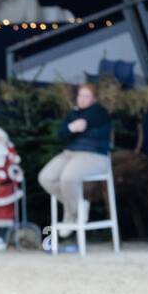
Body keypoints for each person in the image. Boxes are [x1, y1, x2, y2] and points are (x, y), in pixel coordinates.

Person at [38, 83, 111, 236]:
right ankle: (77, 207)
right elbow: (60, 134)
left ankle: (71, 216)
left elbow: (84, 123)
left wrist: (74, 127)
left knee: (68, 178)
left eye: (87, 96)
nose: (82, 99)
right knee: (46, 178)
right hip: (70, 153)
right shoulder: (73, 114)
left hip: (94, 155)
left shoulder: (99, 112)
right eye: (80, 95)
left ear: (94, 99)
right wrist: (71, 128)